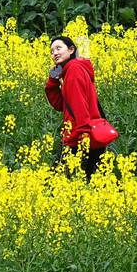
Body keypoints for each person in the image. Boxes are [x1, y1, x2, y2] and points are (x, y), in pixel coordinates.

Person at [44, 35, 110, 182]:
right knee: (89, 179)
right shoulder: (70, 70)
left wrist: (83, 134)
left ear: (71, 49)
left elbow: (79, 104)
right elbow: (62, 104)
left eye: (58, 48)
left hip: (81, 135)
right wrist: (53, 81)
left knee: (76, 181)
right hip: (82, 132)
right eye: (52, 51)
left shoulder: (74, 69)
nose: (54, 53)